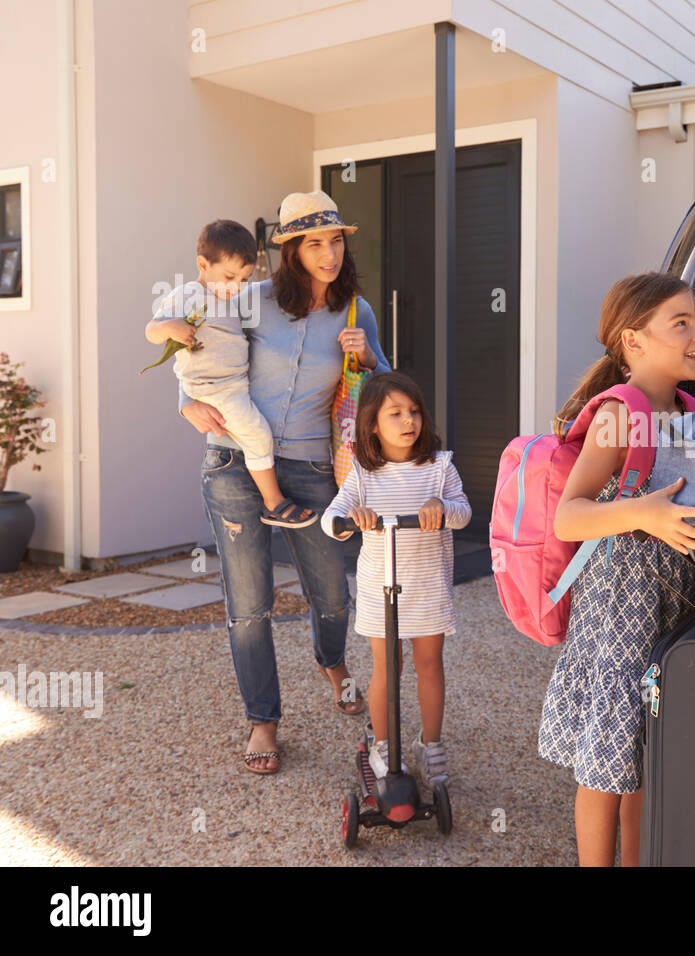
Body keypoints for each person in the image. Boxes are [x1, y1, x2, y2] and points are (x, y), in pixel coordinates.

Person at [182, 190, 392, 774]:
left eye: (336, 240)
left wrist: (371, 360)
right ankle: (264, 721)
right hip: (233, 462)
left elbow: (393, 392)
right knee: (249, 604)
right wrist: (184, 402)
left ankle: (333, 663)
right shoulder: (248, 301)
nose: (329, 253)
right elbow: (195, 349)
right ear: (290, 250)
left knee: (331, 594)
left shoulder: (357, 310)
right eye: (314, 243)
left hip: (313, 468)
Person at [537, 272, 695, 866]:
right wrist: (648, 514)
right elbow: (570, 517)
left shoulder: (690, 408)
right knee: (606, 760)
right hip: (621, 605)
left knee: (644, 749)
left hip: (671, 599)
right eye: (681, 323)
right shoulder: (621, 412)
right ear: (633, 341)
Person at [321, 372, 470, 795]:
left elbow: (464, 512)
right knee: (388, 667)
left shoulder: (439, 468)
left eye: (415, 411)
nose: (409, 421)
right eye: (396, 413)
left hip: (426, 586)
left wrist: (440, 507)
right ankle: (383, 747)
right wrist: (352, 521)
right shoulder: (364, 474)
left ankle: (431, 744)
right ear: (372, 424)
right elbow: (330, 519)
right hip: (379, 586)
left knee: (429, 664)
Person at [146, 220, 317, 528]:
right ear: (202, 264)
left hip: (234, 383)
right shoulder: (186, 296)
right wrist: (170, 328)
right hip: (214, 388)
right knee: (257, 434)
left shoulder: (232, 296)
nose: (237, 287)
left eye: (244, 278)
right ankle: (274, 501)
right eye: (229, 277)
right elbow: (151, 330)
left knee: (252, 433)